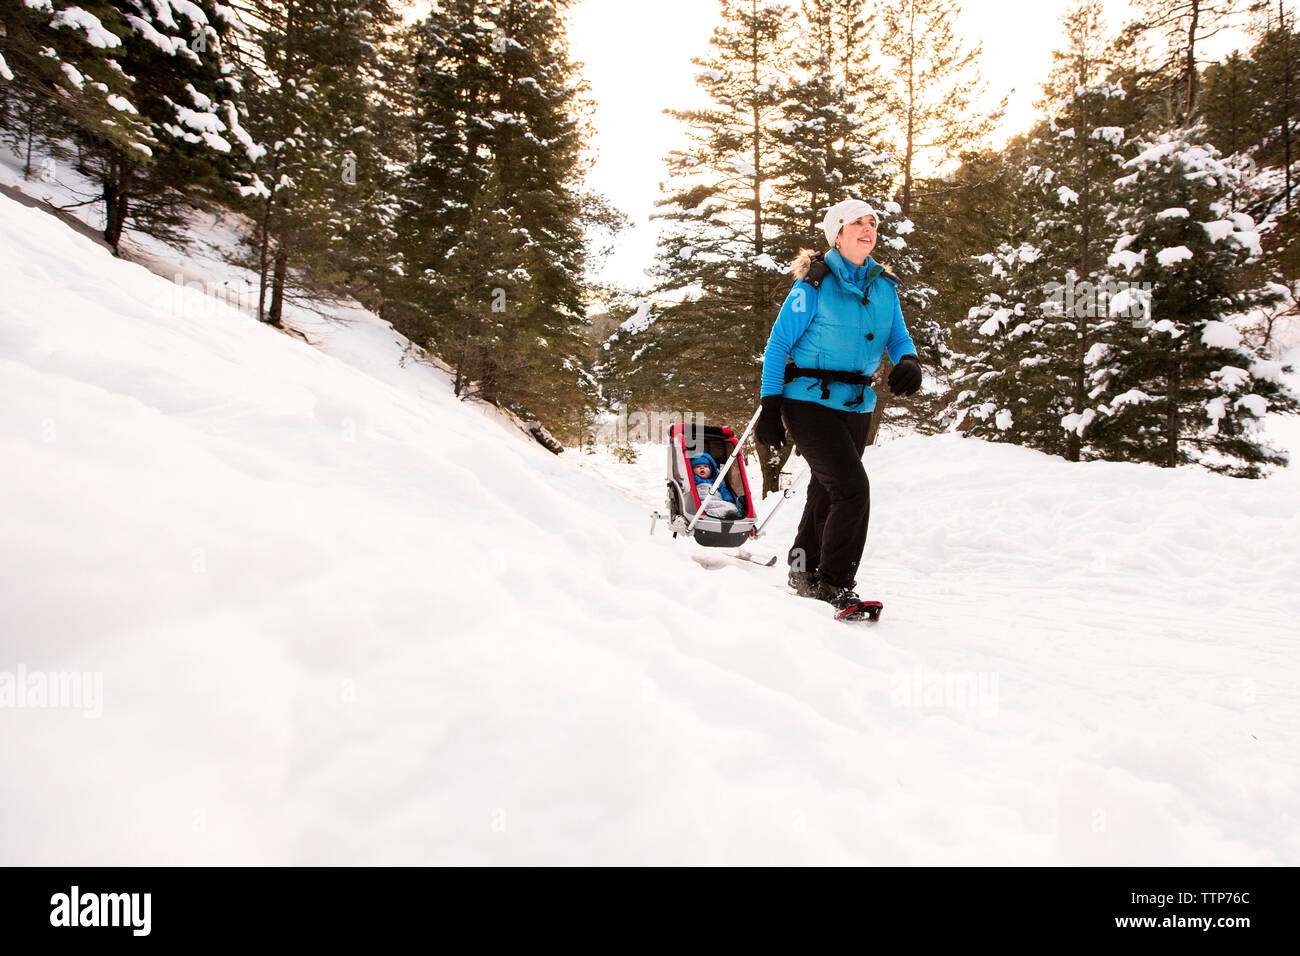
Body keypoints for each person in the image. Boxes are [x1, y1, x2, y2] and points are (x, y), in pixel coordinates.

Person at [754, 199, 923, 615]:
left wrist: (909, 360)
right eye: (857, 224)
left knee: (826, 489)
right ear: (837, 233)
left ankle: (802, 566)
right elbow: (777, 346)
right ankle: (834, 582)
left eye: (873, 223)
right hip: (807, 401)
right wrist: (770, 408)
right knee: (852, 489)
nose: (868, 230)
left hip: (857, 404)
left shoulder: (883, 286)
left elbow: (898, 336)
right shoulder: (813, 284)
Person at [690, 454, 741, 518]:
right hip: (703, 504)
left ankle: (725, 514)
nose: (702, 468)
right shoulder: (693, 481)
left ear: (711, 470)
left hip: (718, 502)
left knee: (732, 507)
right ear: (692, 470)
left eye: (705, 466)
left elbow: (724, 491)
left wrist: (728, 499)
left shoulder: (715, 482)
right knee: (702, 510)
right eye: (698, 466)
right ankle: (721, 514)